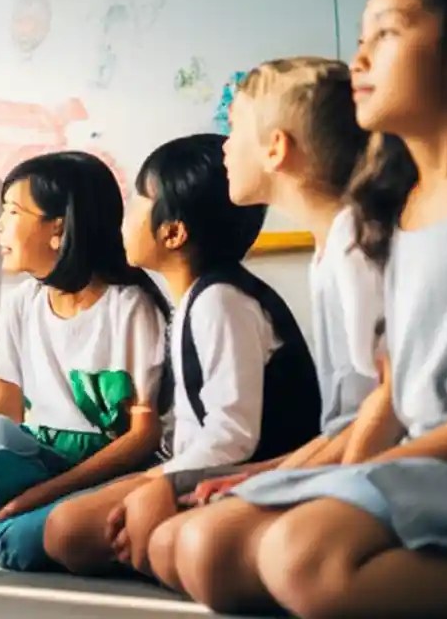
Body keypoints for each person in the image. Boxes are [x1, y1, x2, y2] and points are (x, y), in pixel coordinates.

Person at [158, 0, 447, 619]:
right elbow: (397, 387)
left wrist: (371, 471)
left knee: (302, 559)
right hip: (421, 466)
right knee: (203, 549)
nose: (358, 60)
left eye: (386, 33)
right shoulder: (399, 209)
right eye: (361, 38)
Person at [119, 56, 383, 578]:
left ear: (276, 148)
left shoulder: (355, 246)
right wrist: (263, 478)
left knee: (184, 545)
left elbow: (371, 424)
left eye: (233, 129)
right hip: (334, 459)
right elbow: (342, 429)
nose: (223, 147)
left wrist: (263, 480)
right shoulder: (328, 248)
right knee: (169, 540)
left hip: (371, 470)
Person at [41, 133, 319, 576]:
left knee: (67, 531)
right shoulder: (193, 299)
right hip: (199, 468)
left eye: (137, 202)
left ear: (173, 232)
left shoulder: (221, 301)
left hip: (250, 474)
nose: (124, 218)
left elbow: (232, 437)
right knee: (62, 529)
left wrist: (154, 483)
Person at [0, 151, 169, 570]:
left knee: (16, 545)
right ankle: (14, 516)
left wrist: (44, 493)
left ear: (58, 226)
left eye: (13, 211)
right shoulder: (22, 304)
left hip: (104, 467)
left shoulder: (129, 307)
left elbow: (141, 438)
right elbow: (7, 415)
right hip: (36, 456)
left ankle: (25, 518)